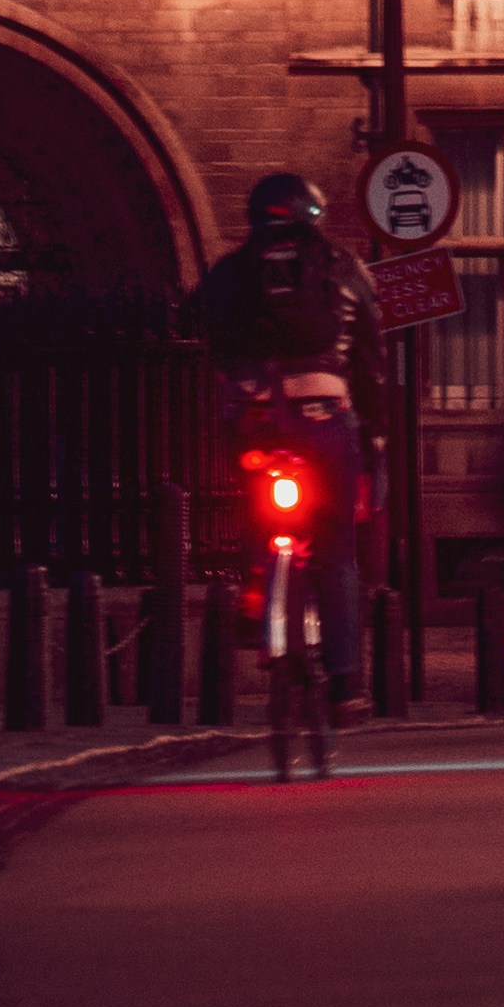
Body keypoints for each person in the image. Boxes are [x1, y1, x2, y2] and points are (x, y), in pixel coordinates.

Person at [185, 173, 377, 698]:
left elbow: (193, 323)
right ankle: (345, 682)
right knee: (336, 550)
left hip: (257, 418)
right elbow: (369, 358)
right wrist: (375, 437)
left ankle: (255, 588)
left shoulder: (230, 273)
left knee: (253, 503)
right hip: (324, 417)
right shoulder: (344, 269)